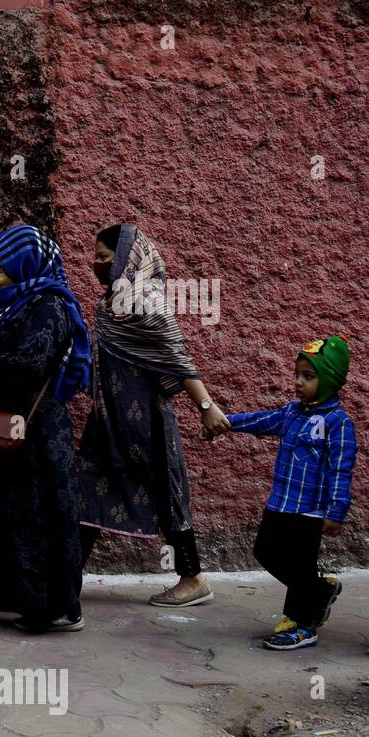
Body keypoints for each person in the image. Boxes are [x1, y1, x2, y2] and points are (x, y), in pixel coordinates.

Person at [0, 223, 92, 633]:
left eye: (4, 264)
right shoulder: (16, 305)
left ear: (25, 263)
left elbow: (30, 366)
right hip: (1, 431)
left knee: (36, 513)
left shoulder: (49, 307)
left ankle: (49, 607)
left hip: (34, 434)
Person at [77, 225, 229, 606]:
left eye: (104, 258)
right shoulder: (110, 302)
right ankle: (65, 574)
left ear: (127, 259)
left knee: (165, 491)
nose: (96, 265)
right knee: (85, 485)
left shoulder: (145, 300)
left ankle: (192, 577)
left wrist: (206, 407)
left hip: (146, 421)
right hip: (108, 419)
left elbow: (176, 357)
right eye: (95, 257)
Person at [212, 336, 356, 650]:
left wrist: (337, 510)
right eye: (298, 375)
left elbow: (341, 470)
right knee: (265, 550)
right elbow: (262, 420)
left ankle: (303, 625)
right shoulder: (292, 412)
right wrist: (227, 423)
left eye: (309, 376)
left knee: (301, 564)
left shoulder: (338, 423)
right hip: (281, 502)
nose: (299, 382)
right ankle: (318, 592)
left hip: (310, 510)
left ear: (329, 380)